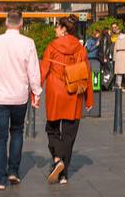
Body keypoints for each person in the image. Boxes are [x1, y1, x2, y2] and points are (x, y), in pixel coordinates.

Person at [0, 11, 42, 190]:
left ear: (6, 23)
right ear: (20, 24)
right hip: (19, 97)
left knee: (0, 138)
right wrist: (36, 93)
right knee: (17, 132)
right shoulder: (28, 43)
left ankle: (0, 179)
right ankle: (13, 171)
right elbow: (33, 72)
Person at [40, 14, 93, 184]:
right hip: (74, 93)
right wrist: (89, 99)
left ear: (63, 29)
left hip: (56, 92)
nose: (55, 29)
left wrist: (35, 91)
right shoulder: (80, 48)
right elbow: (87, 73)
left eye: (57, 26)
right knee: (69, 133)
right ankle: (64, 174)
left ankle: (57, 159)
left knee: (52, 128)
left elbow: (44, 70)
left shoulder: (52, 47)